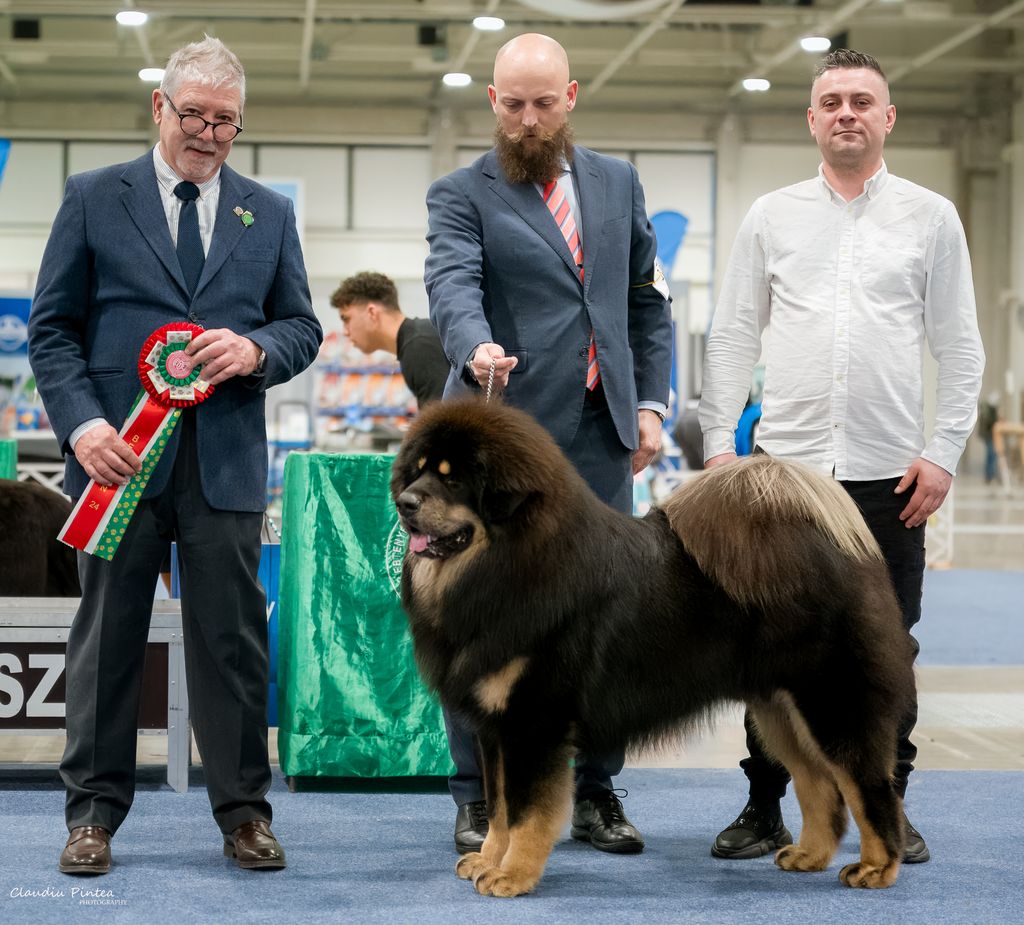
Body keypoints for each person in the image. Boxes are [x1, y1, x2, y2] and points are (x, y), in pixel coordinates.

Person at [28, 36, 323, 875]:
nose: (208, 133)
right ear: (158, 106)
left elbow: (301, 326)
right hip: (115, 460)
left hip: (224, 463)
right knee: (106, 638)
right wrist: (82, 427)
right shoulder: (92, 198)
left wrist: (259, 350)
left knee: (232, 643)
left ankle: (244, 815)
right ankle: (91, 814)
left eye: (225, 120)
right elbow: (51, 332)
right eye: (193, 114)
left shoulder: (266, 212)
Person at [698, 48, 985, 866]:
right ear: (812, 119)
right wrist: (722, 446)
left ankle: (885, 810)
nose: (847, 112)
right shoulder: (770, 216)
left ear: (888, 118)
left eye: (863, 100)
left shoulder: (932, 218)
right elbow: (731, 336)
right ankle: (763, 806)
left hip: (889, 479)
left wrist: (941, 452)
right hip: (784, 480)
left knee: (887, 650)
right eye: (832, 101)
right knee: (765, 645)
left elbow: (960, 347)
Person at [424, 32, 672, 856]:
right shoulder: (461, 191)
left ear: (571, 98)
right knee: (483, 620)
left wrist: (652, 405)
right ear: (493, 103)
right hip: (506, 444)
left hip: (604, 438)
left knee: (607, 619)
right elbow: (452, 282)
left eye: (543, 103)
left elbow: (644, 300)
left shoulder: (619, 181)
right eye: (512, 104)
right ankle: (477, 795)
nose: (528, 120)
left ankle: (596, 789)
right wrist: (475, 346)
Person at [330, 271, 449, 408]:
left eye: (346, 319)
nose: (345, 332)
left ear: (372, 313)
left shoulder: (419, 347)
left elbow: (444, 423)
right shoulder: (416, 341)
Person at [978, 391, 1001, 485]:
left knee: (992, 455)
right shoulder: (987, 410)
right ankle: (989, 476)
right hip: (988, 436)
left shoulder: (992, 409)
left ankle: (991, 475)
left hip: (992, 435)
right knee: (991, 455)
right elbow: (988, 422)